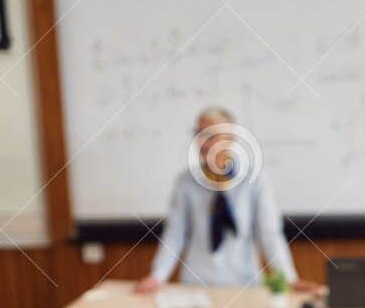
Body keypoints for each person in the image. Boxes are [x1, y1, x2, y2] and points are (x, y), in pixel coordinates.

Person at [135, 106, 316, 294]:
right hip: (196, 282)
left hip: (245, 282)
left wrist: (289, 278)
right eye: (199, 134)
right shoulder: (185, 182)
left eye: (211, 135)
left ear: (231, 138)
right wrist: (158, 275)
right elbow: (175, 233)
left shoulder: (256, 179)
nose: (203, 142)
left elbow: (269, 234)